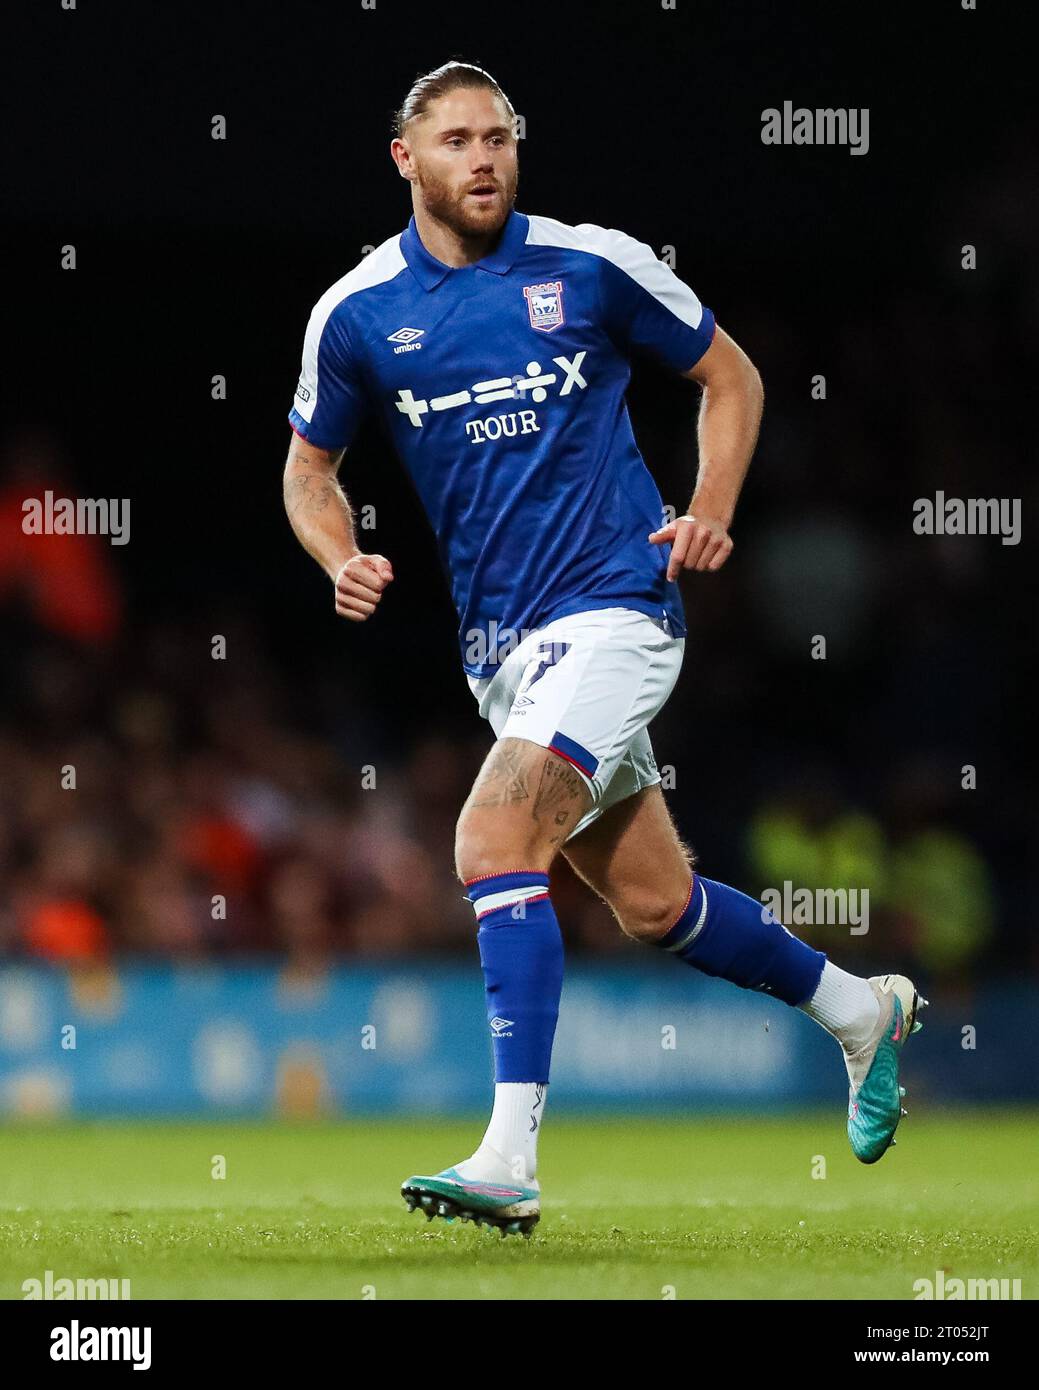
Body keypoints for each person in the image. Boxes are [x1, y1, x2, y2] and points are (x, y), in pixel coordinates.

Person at [284, 61, 925, 1237]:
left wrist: (710, 501)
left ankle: (507, 1155)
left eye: (501, 136)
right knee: (653, 904)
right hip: (503, 655)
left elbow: (728, 376)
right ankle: (856, 1010)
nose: (484, 157)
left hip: (620, 606)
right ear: (405, 161)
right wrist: (339, 557)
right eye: (458, 140)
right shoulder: (359, 312)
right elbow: (308, 467)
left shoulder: (590, 263)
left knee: (489, 834)